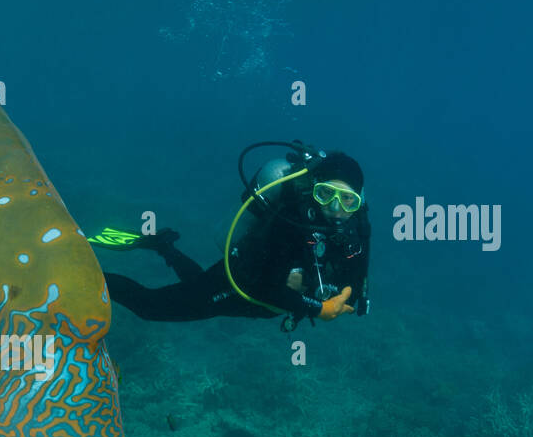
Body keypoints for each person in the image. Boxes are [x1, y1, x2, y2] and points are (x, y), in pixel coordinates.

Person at [96, 141, 372, 330]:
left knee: (197, 284)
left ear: (358, 201)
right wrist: (318, 309)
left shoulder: (356, 227)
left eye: (347, 200)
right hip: (239, 284)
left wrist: (335, 294)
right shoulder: (289, 219)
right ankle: (82, 277)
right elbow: (265, 287)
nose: (335, 209)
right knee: (150, 307)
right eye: (325, 194)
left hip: (267, 304)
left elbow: (356, 286)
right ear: (312, 190)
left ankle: (163, 245)